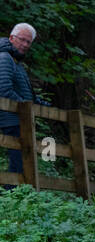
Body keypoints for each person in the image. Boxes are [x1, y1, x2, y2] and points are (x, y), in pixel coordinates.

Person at [0, 24, 37, 182]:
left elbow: (21, 90)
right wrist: (26, 106)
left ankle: (15, 199)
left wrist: (38, 102)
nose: (25, 45)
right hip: (10, 119)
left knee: (20, 164)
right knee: (19, 165)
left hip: (17, 119)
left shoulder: (16, 62)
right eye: (22, 40)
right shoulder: (4, 58)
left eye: (28, 42)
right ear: (11, 38)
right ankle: (13, 199)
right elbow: (3, 90)